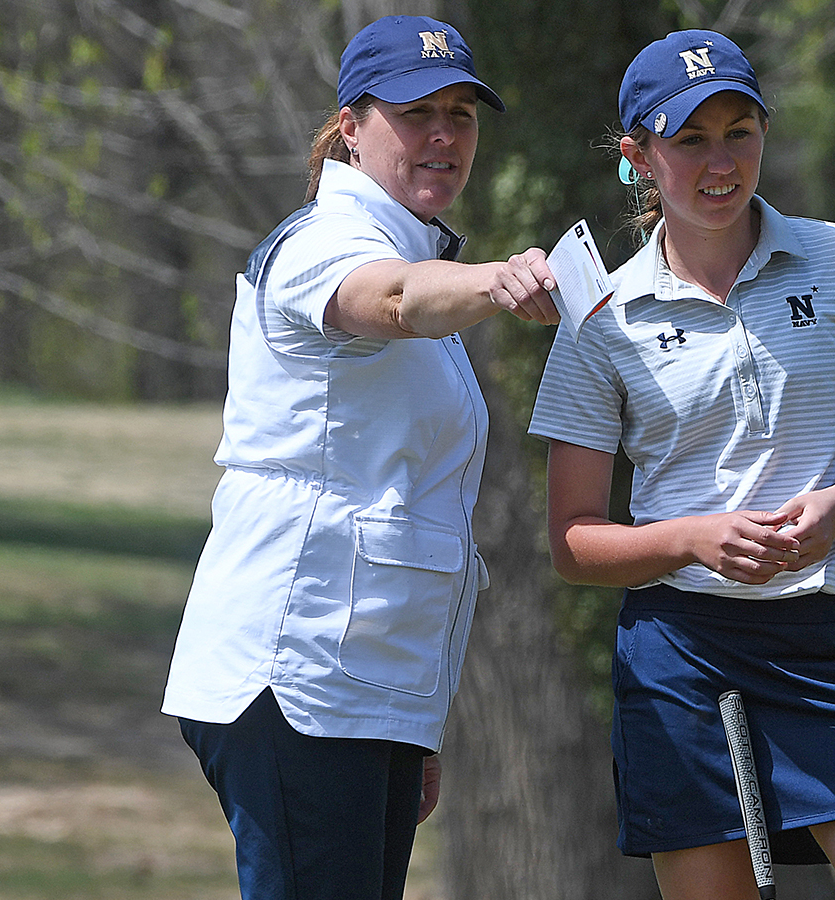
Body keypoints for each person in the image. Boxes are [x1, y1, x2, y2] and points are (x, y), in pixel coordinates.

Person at [528, 29, 835, 900]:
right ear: (638, 156)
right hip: (682, 656)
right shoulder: (601, 320)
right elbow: (573, 542)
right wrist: (691, 539)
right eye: (690, 140)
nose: (720, 163)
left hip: (831, 644)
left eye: (740, 133)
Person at [161, 15, 558, 900]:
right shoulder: (322, 243)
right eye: (417, 114)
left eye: (462, 113)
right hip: (294, 675)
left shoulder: (415, 249)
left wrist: (412, 721)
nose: (444, 135)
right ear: (352, 125)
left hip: (364, 687)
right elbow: (389, 300)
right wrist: (499, 279)